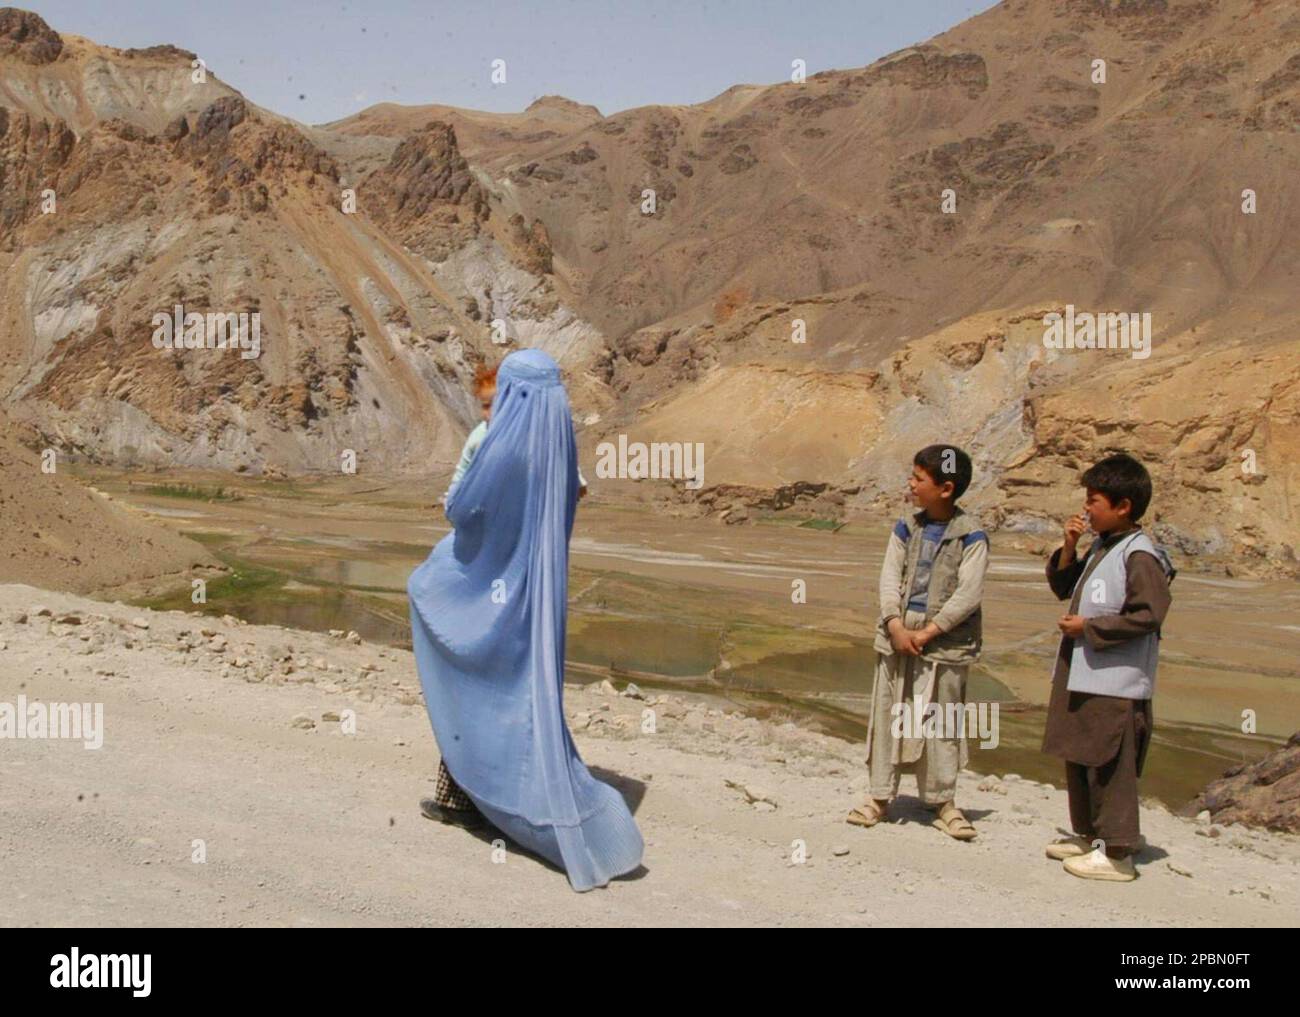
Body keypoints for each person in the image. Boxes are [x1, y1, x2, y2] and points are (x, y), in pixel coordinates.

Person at [408, 348, 643, 892]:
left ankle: (486, 803)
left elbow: (461, 511)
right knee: (520, 697)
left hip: (495, 593)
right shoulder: (558, 449)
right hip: (538, 594)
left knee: (471, 682)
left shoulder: (505, 452)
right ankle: (477, 793)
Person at [1041, 453, 1174, 882]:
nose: (1086, 509)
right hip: (1085, 672)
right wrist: (1069, 546)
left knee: (1110, 762)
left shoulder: (1141, 555)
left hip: (1115, 681)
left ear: (1123, 507)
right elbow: (1064, 586)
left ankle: (1117, 852)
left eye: (1094, 501)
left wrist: (1089, 626)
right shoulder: (1104, 545)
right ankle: (1091, 836)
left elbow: (1148, 614)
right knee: (1081, 753)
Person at [848, 445, 988, 840]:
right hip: (897, 638)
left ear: (945, 488)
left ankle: (942, 800)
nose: (910, 484)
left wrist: (930, 631)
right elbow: (889, 576)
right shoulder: (905, 527)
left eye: (918, 478)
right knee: (888, 713)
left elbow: (968, 593)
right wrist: (894, 623)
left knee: (942, 720)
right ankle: (879, 796)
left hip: (945, 645)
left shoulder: (972, 536)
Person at [444, 362, 586, 511]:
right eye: (486, 406)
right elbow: (462, 474)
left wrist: (577, 480)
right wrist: (453, 501)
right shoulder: (479, 437)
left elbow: (560, 456)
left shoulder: (534, 433)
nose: (491, 413)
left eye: (500, 404)